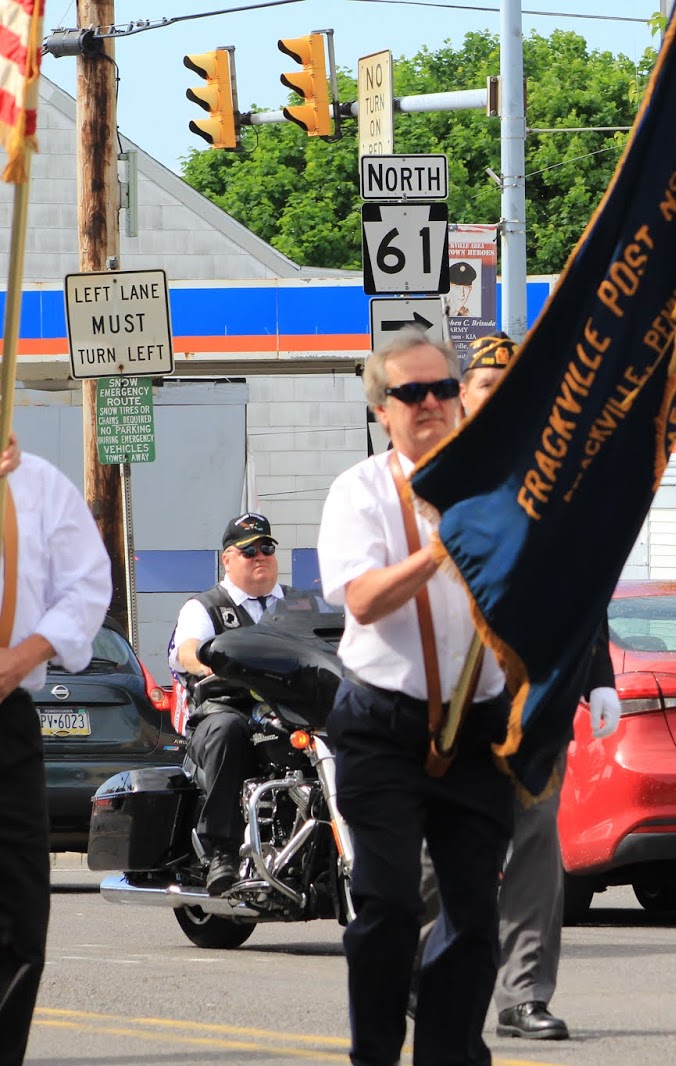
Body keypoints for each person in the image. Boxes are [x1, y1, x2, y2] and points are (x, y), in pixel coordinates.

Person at [414, 331, 621, 1048]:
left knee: (534, 845)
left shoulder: (556, 475)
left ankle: (525, 994)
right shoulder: (436, 472)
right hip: (446, 690)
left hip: (530, 692)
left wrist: (598, 676)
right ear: (463, 395)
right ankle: (423, 967)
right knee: (443, 845)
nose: (497, 393)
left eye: (511, 383)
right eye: (485, 383)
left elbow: (582, 580)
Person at [317, 330, 515, 1066]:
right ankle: (375, 1053)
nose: (431, 403)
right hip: (382, 724)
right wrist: (439, 548)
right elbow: (363, 599)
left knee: (473, 916)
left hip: (480, 726)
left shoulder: (504, 485)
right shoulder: (360, 492)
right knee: (390, 904)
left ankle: (450, 1054)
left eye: (442, 389)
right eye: (411, 393)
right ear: (381, 410)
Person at [0, 433, 112, 1064]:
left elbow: (87, 584)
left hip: (7, 717)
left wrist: (25, 655)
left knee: (18, 913)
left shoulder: (39, 486)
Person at [167, 511, 291, 894]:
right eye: (248, 550)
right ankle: (220, 850)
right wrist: (207, 663)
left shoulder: (297, 606)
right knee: (228, 730)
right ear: (227, 559)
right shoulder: (204, 607)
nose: (260, 556)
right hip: (222, 712)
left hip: (287, 714)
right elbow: (186, 650)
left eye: (266, 547)